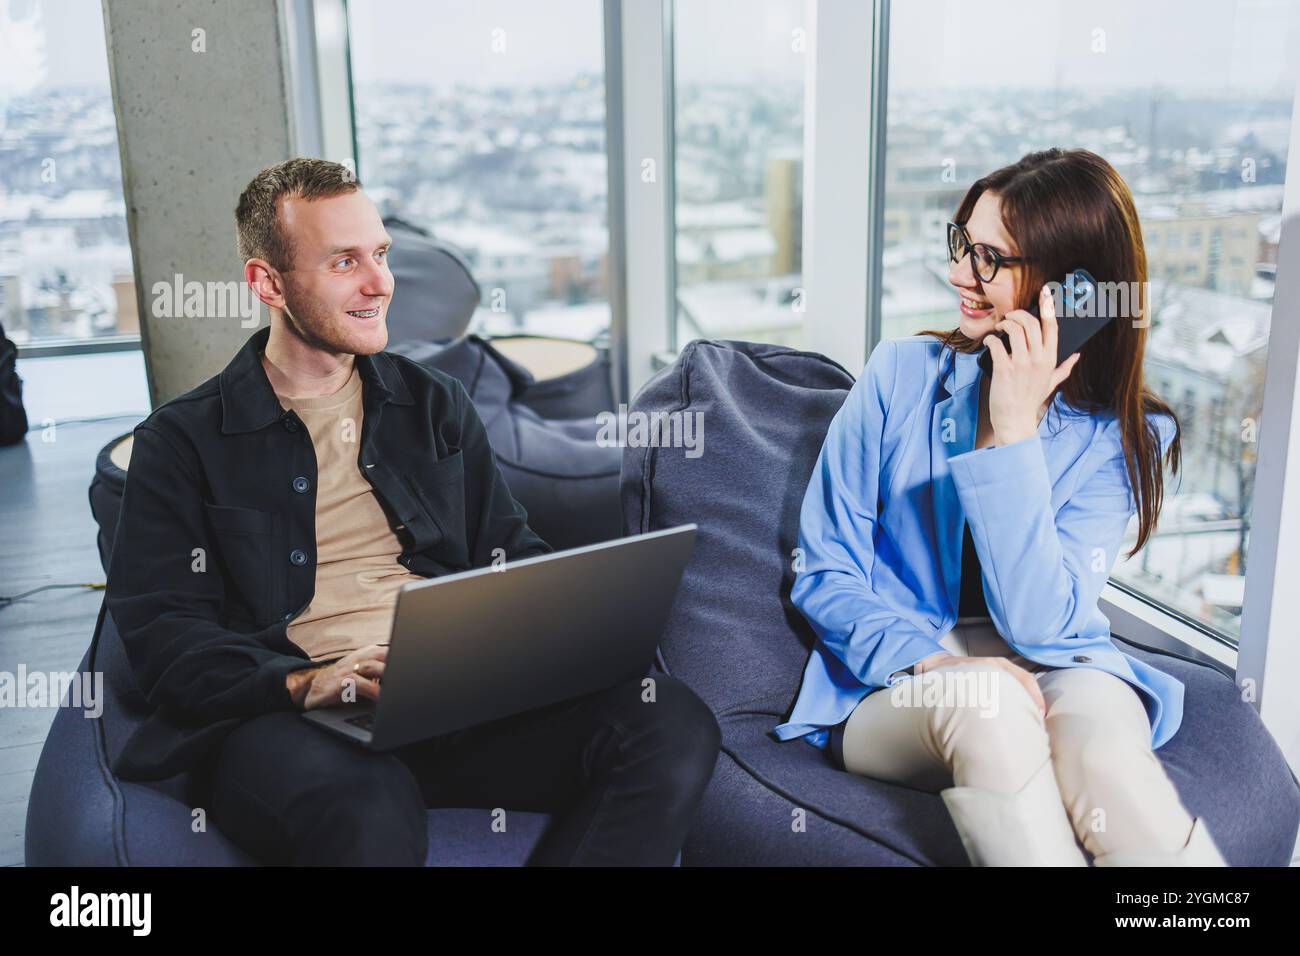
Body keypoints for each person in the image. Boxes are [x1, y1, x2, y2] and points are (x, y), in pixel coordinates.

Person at [105, 157, 720, 866]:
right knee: (367, 807)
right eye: (344, 261)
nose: (379, 283)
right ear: (267, 283)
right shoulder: (181, 442)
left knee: (668, 720)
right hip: (290, 717)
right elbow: (164, 638)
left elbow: (504, 547)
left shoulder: (432, 404)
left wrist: (565, 620)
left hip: (455, 693)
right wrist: (309, 682)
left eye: (381, 253)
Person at [772, 148, 1226, 867]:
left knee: (1109, 761)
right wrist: (933, 664)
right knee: (989, 708)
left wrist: (1014, 435)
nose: (959, 274)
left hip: (1058, 665)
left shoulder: (1124, 438)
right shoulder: (898, 379)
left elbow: (1045, 625)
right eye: (961, 244)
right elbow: (825, 575)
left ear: (1069, 294)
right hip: (901, 684)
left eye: (989, 258)